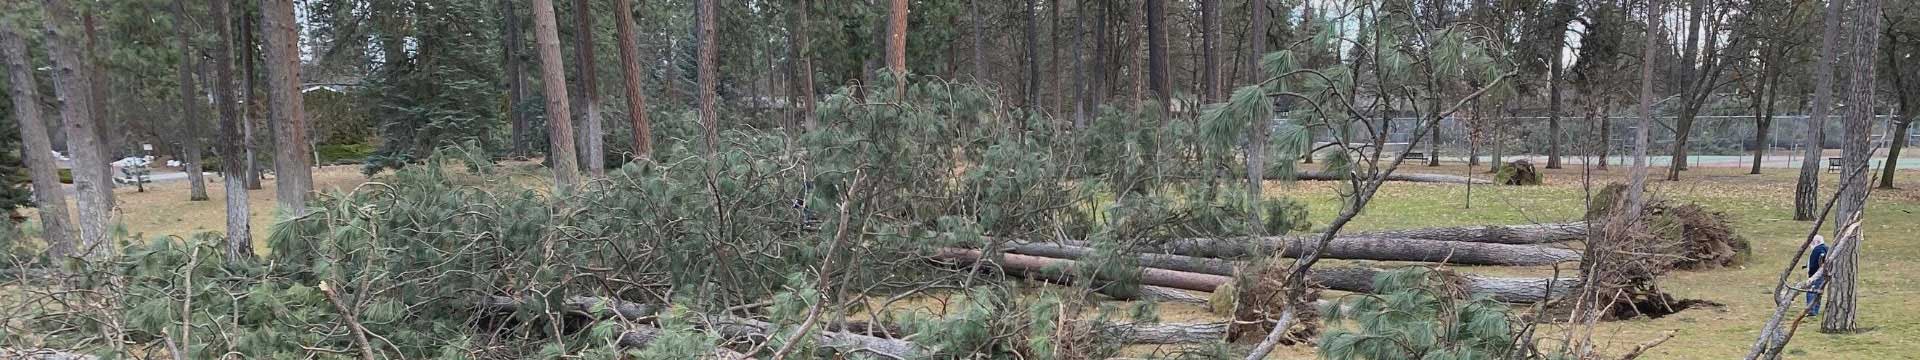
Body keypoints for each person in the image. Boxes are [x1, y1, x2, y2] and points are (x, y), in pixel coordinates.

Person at [1806, 235, 1829, 316]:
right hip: (1823, 274)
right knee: (1818, 292)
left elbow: (1821, 257)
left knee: (1811, 291)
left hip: (1816, 274)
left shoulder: (1818, 249)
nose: (1810, 244)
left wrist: (1812, 274)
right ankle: (1815, 309)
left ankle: (1811, 310)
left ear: (1817, 242)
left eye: (1812, 242)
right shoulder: (1826, 248)